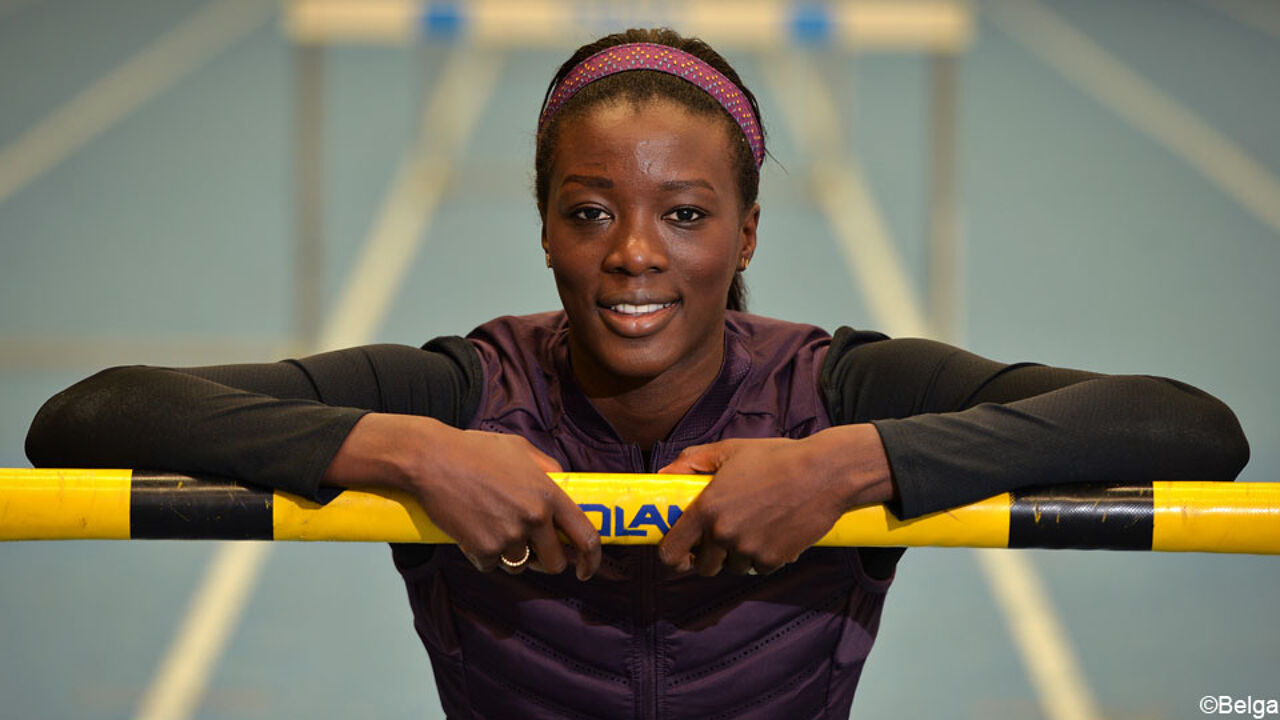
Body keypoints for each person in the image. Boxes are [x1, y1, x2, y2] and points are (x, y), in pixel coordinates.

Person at [26, 28, 1248, 720]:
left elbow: (1188, 429)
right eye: (589, 211)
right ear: (543, 228)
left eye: (685, 214)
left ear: (747, 233)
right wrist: (405, 451)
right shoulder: (459, 395)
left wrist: (848, 467)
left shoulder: (837, 392)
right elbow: (87, 417)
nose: (632, 255)